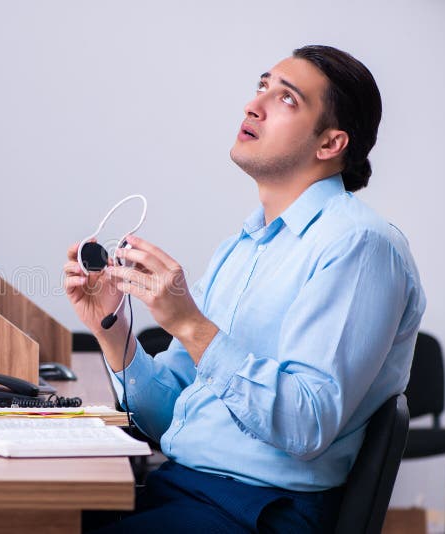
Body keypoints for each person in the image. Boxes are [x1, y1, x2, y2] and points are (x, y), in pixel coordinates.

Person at [65, 45, 426, 532]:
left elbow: (306, 424)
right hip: (182, 488)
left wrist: (191, 325)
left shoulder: (360, 246)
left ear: (330, 143)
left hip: (256, 511)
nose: (253, 105)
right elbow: (171, 414)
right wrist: (113, 331)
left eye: (287, 99)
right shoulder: (241, 247)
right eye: (262, 87)